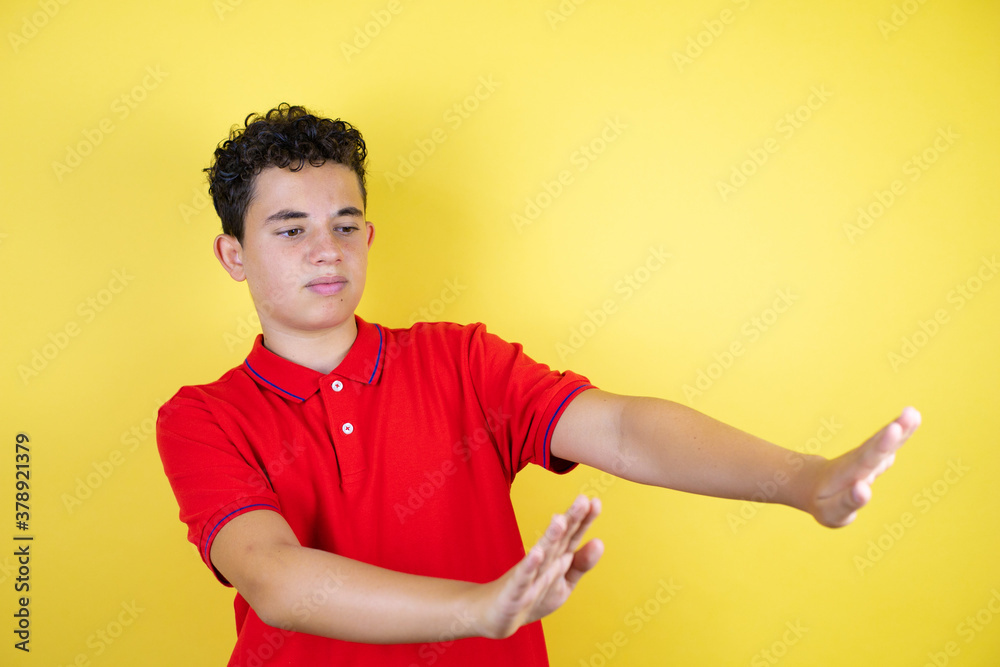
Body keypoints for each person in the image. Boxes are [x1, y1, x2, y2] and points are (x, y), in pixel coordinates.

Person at [155, 103, 921, 666]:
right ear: (234, 255)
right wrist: (478, 608)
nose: (327, 249)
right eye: (291, 229)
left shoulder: (460, 359)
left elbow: (620, 428)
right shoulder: (201, 417)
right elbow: (277, 579)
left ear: (368, 236)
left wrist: (806, 480)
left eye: (345, 224)